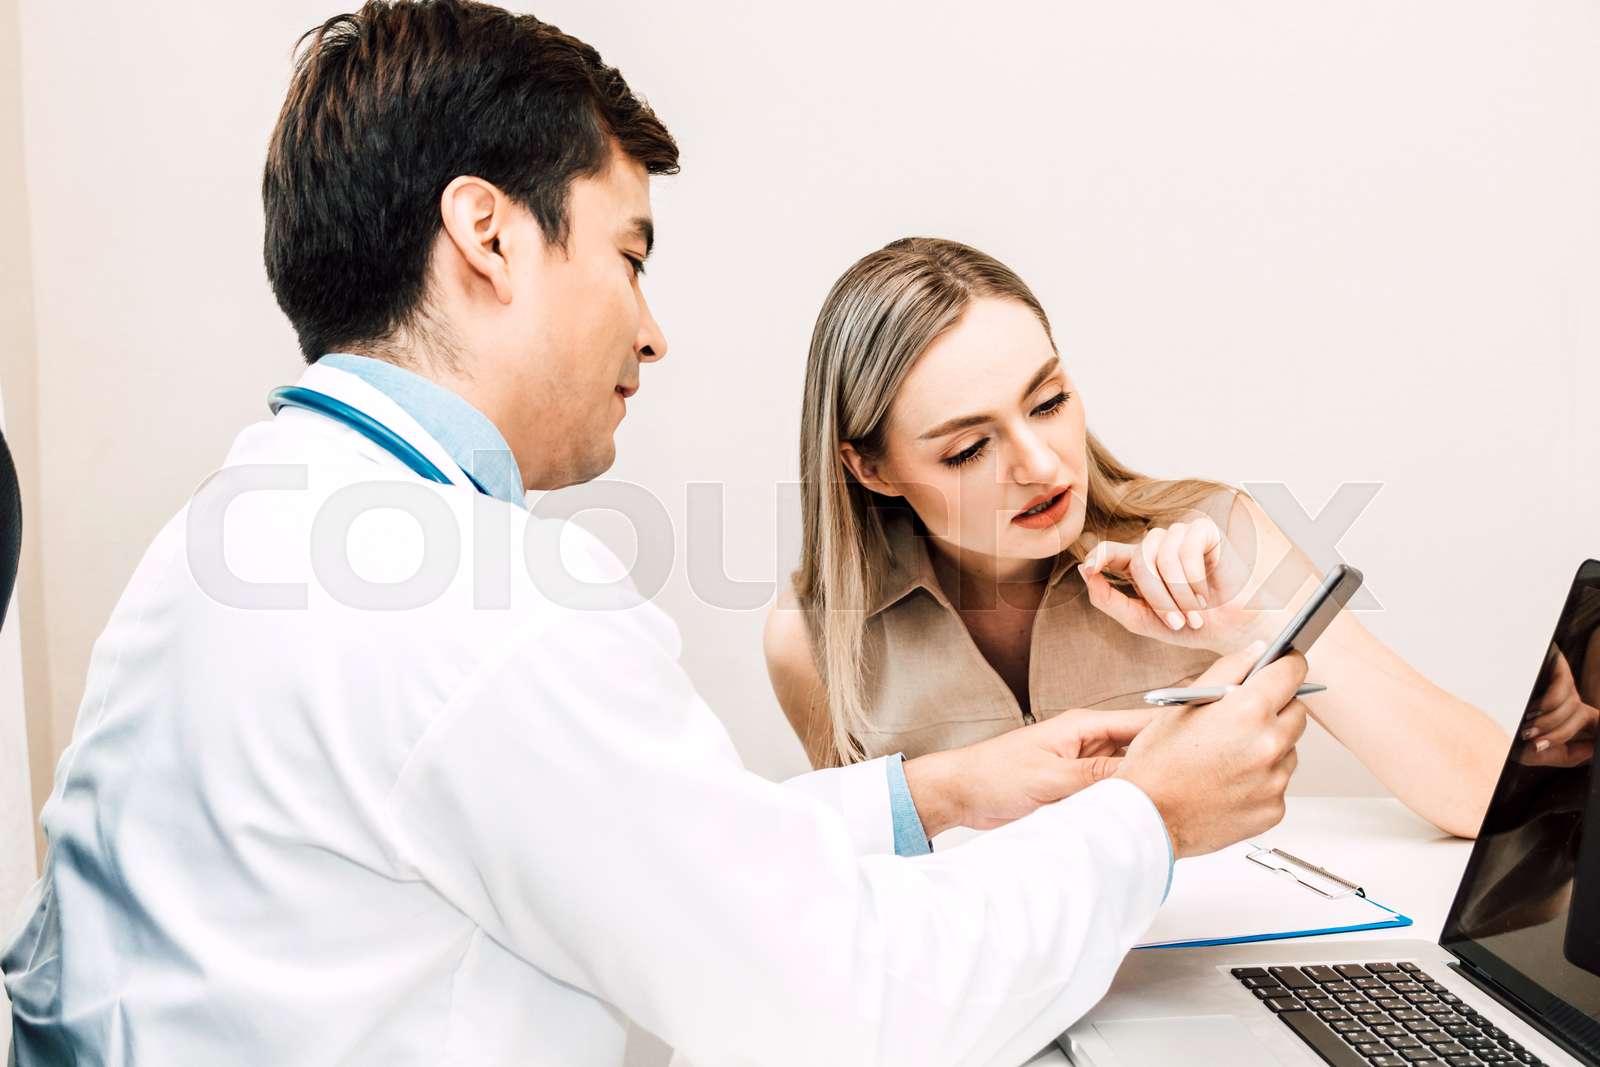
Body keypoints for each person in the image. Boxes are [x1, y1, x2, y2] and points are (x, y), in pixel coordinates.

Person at [2, 5, 1308, 1066]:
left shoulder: (234, 531)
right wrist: (1145, 816)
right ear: (489, 236)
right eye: (630, 254)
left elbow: (656, 848)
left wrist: (940, 794)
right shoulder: (479, 605)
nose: (652, 327)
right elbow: (840, 1004)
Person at [766, 237, 1506, 840]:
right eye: (967, 449)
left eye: (1049, 400)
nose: (1042, 463)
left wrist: (1259, 624)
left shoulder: (1212, 535)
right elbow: (853, 886)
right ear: (870, 467)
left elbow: (1493, 803)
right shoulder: (812, 636)